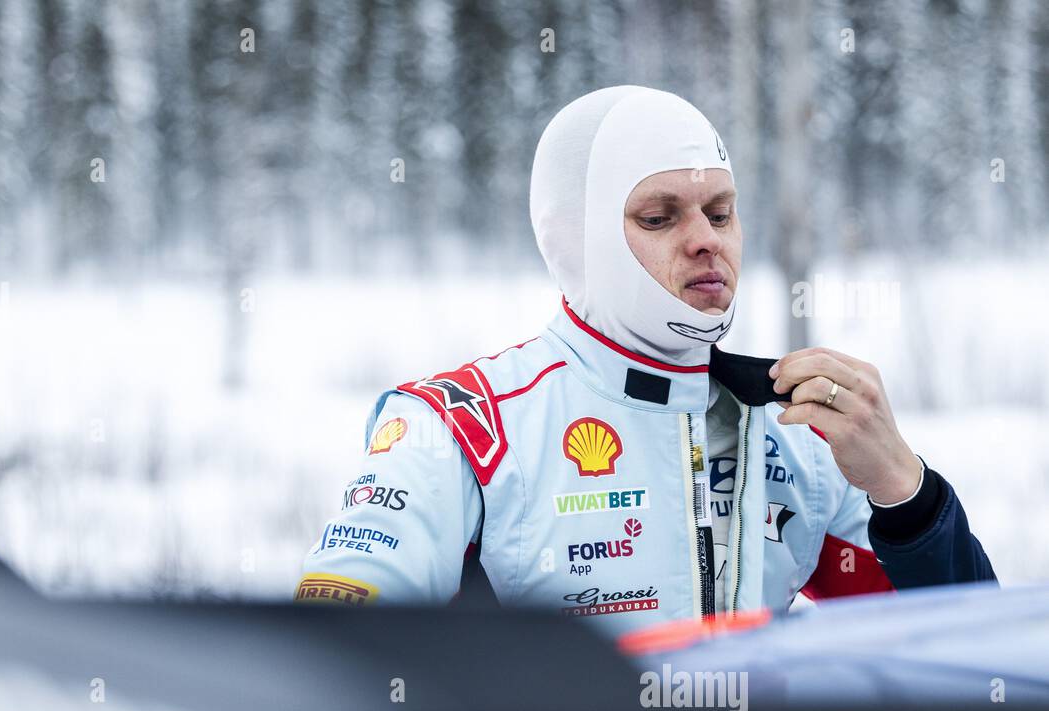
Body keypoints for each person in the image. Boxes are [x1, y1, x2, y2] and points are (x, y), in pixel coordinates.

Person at [294, 85, 997, 629]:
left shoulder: (798, 433)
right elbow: (329, 659)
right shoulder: (463, 427)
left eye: (720, 213)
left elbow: (964, 658)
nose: (705, 241)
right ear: (579, 239)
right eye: (660, 217)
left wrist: (907, 494)